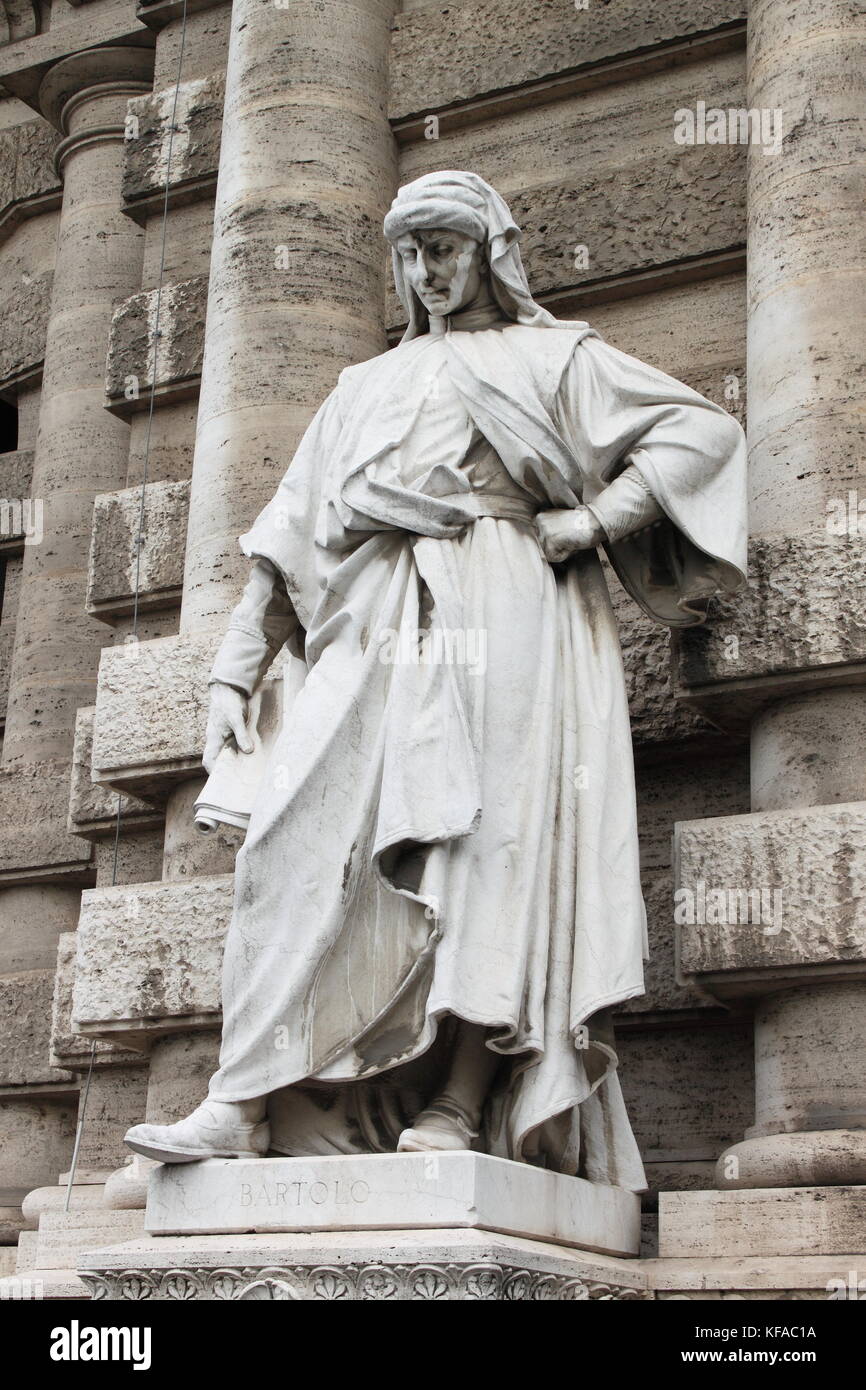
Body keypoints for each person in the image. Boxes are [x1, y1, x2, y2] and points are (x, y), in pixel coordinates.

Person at [125, 172, 746, 1187]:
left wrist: (588, 523)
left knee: (486, 849)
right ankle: (240, 1099)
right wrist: (234, 670)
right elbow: (287, 541)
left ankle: (459, 1100)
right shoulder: (360, 385)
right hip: (366, 624)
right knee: (295, 842)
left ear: (490, 251)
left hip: (499, 611)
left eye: (445, 248)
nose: (427, 272)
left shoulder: (554, 358)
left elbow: (701, 434)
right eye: (410, 254)